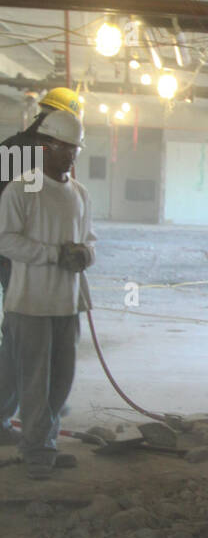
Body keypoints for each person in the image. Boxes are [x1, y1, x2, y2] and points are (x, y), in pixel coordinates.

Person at [0, 97, 94, 478]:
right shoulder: (22, 188)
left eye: (75, 148)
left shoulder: (81, 193)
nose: (71, 154)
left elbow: (90, 239)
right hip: (30, 300)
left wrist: (84, 254)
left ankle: (46, 442)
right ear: (44, 147)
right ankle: (35, 449)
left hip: (66, 303)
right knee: (34, 379)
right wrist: (53, 254)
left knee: (61, 379)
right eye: (64, 147)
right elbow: (4, 238)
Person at [0, 96, 57, 445]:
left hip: (7, 251)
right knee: (20, 336)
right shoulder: (31, 154)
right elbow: (30, 213)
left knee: (16, 334)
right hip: (12, 256)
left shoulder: (11, 145)